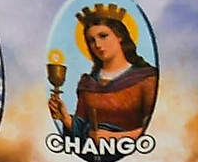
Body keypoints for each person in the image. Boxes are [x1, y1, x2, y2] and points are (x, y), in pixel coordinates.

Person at [49, 7, 157, 140]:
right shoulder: (88, 83)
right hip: (94, 152)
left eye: (103, 36)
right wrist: (66, 119)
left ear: (120, 36)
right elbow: (82, 130)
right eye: (91, 40)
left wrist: (114, 137)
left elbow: (155, 127)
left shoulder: (146, 79)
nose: (98, 45)